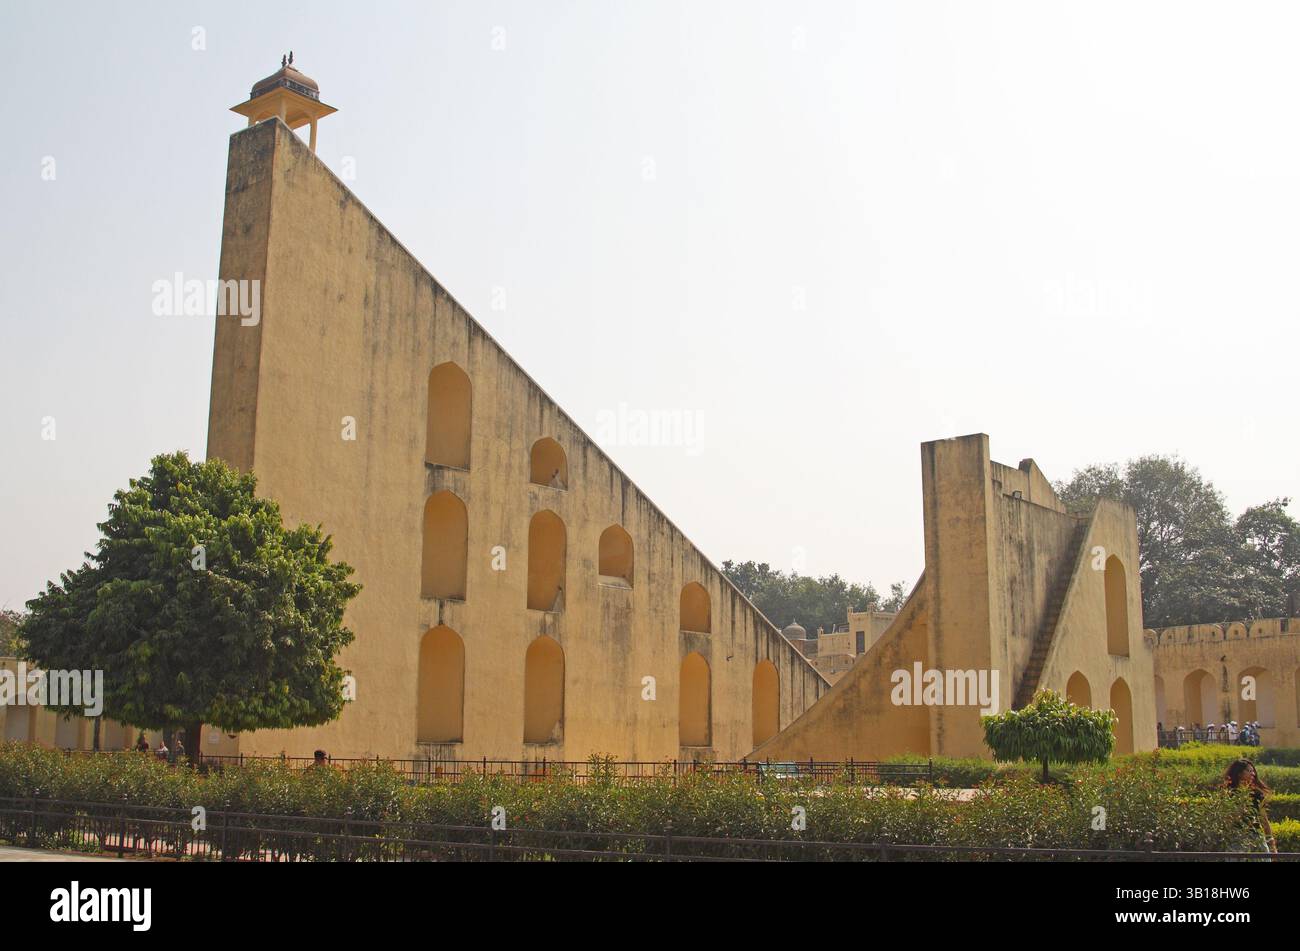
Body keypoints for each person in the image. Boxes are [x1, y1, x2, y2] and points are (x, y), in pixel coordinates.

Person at [1223, 759, 1276, 855]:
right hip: (1236, 838)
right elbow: (1226, 819)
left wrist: (1271, 841)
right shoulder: (1228, 794)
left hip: (1256, 838)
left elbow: (1264, 819)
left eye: (1253, 771)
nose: (1253, 774)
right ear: (1239, 773)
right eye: (1249, 771)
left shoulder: (1256, 794)